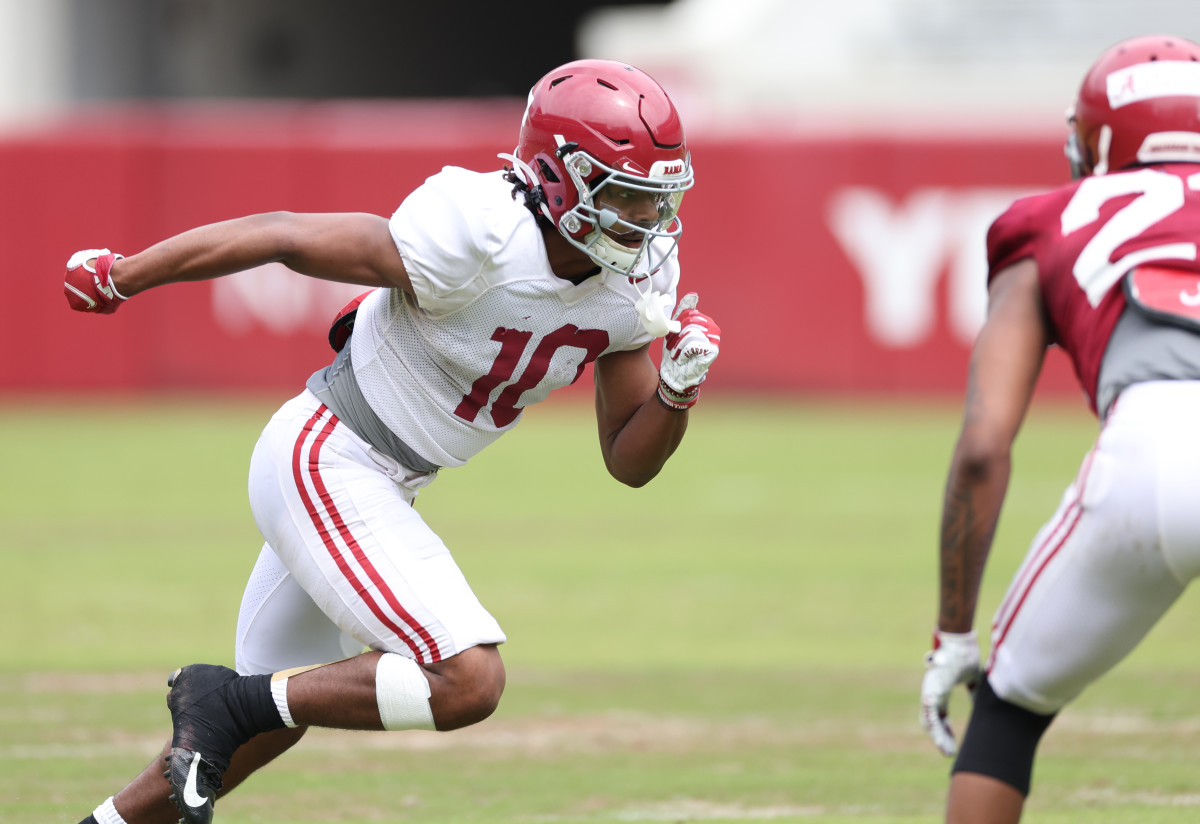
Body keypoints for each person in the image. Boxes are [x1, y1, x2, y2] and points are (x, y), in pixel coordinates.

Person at [63, 59, 721, 824]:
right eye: (629, 194)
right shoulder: (478, 234)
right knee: (465, 680)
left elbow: (627, 461)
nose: (647, 219)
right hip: (328, 455)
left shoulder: (636, 279)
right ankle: (220, 699)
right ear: (559, 177)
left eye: (659, 197)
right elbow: (280, 235)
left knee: (260, 721)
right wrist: (126, 275)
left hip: (382, 478)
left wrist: (677, 392)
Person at [918, 34, 1200, 823]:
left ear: (1098, 138)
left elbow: (982, 448)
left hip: (1153, 451)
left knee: (1008, 711)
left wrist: (954, 636)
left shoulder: (1045, 221)